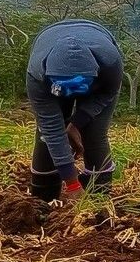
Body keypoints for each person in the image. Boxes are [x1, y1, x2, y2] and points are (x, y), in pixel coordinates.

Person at [27, 19, 124, 204]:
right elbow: (51, 128)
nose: (71, 94)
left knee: (94, 134)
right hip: (49, 53)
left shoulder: (111, 63)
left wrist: (77, 122)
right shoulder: (37, 74)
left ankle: (98, 199)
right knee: (46, 137)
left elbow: (107, 93)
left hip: (98, 79)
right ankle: (43, 199)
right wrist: (72, 184)